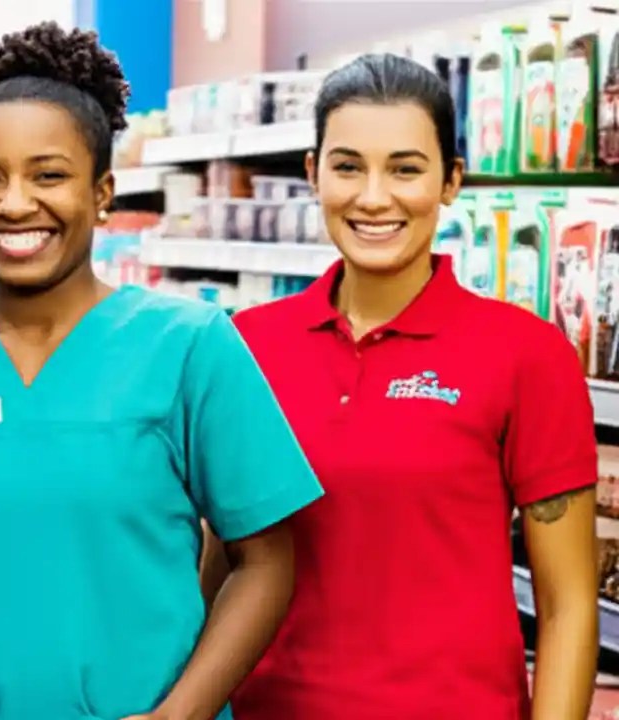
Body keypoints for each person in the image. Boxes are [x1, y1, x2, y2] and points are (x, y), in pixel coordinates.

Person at [0, 21, 325, 720]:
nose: (14, 202)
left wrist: (181, 713)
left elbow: (265, 560)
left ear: (103, 192)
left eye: (48, 175)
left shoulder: (191, 345)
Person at [217, 53, 599, 720]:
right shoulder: (243, 347)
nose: (373, 197)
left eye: (405, 169)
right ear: (312, 173)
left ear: (451, 181)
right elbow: (218, 567)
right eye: (347, 167)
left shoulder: (528, 355)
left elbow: (567, 604)